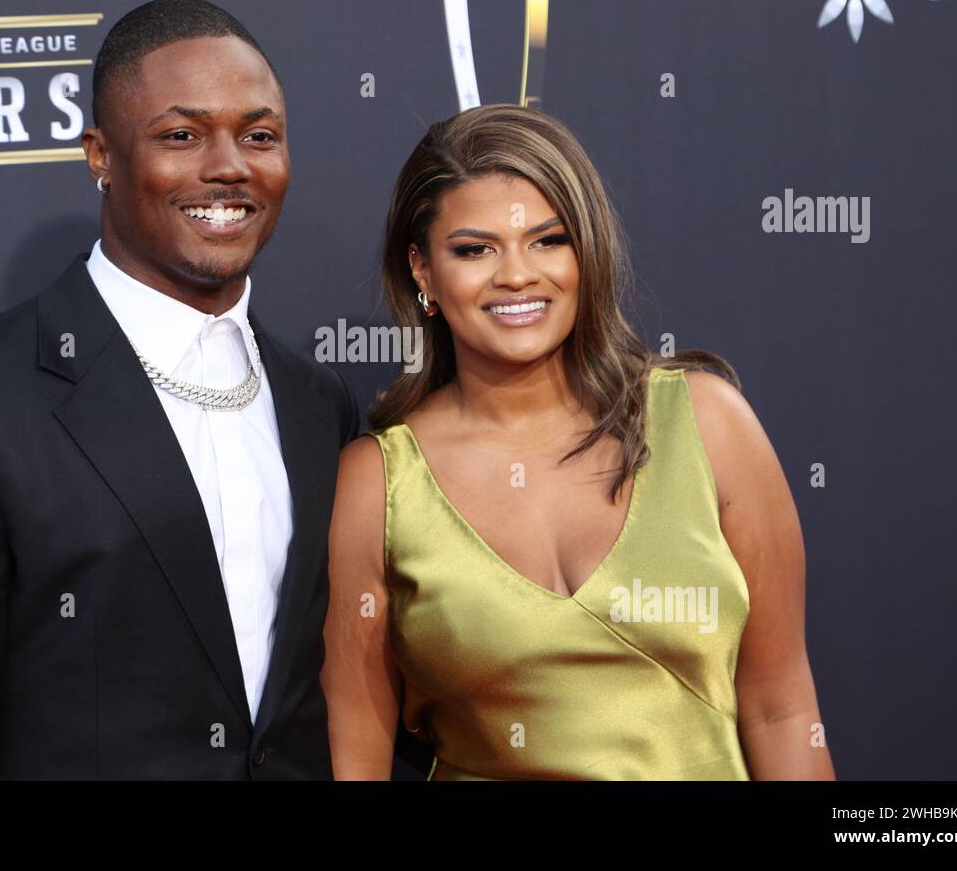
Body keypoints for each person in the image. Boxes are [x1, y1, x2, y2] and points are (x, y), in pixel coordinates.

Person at [0, 0, 360, 779]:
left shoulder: (318, 406)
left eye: (259, 135)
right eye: (181, 136)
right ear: (100, 155)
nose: (228, 166)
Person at [322, 103, 834, 780]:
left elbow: (781, 706)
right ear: (423, 272)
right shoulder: (378, 483)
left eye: (549, 240)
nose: (516, 276)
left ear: (586, 249)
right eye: (474, 250)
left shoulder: (707, 422)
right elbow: (356, 745)